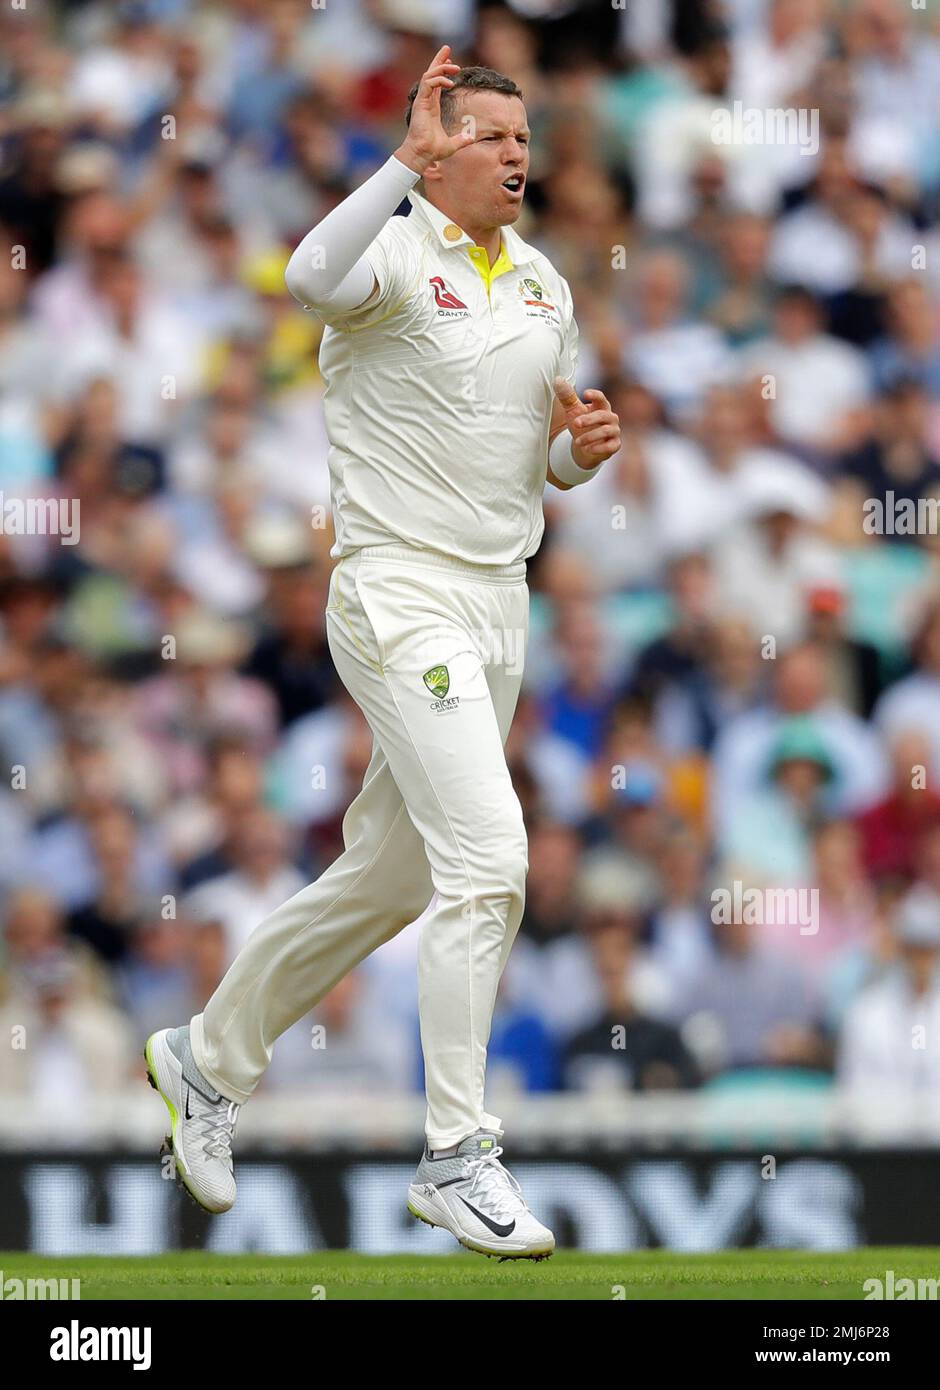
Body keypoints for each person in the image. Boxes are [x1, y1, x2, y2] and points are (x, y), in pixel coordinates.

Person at [143, 47, 621, 1261]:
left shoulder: (544, 284)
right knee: (493, 854)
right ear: (438, 147)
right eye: (491, 136)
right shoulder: (390, 251)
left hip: (497, 599)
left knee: (397, 878)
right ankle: (457, 1155)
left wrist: (577, 456)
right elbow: (307, 275)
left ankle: (205, 1061)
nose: (517, 154)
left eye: (525, 137)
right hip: (398, 591)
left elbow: (532, 462)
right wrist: (395, 159)